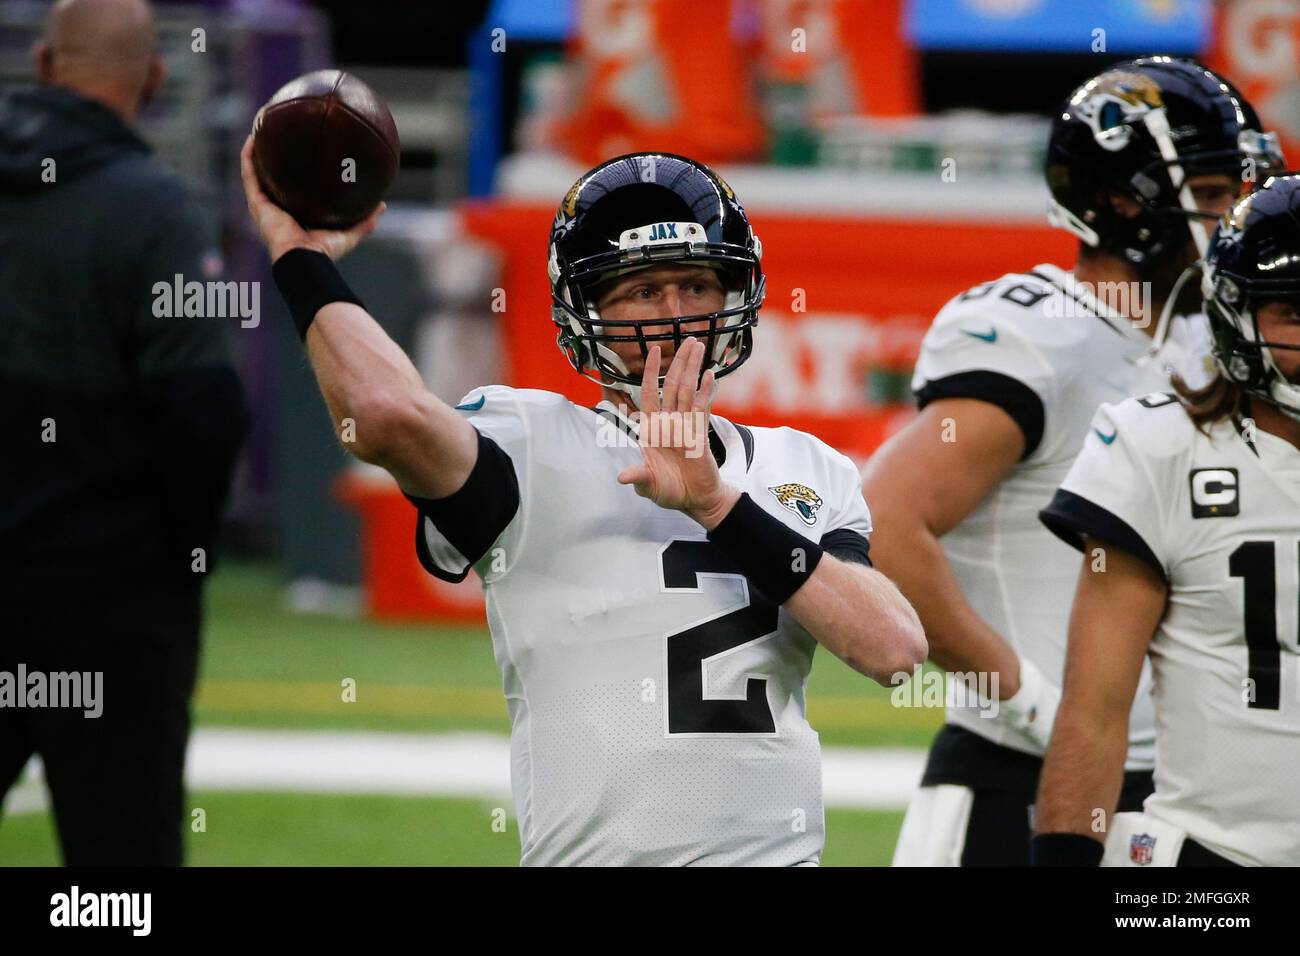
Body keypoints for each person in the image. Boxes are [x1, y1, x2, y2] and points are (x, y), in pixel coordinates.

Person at [241, 144, 926, 866]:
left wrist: (718, 504)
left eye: (696, 284)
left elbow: (894, 651)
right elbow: (381, 412)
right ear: (585, 311)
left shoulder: (806, 468)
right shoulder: (530, 442)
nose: (675, 316)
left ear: (734, 294)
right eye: (642, 290)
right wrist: (301, 256)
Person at [863, 58, 1284, 866]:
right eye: (1212, 195)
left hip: (1162, 793)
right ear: (1125, 202)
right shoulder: (1047, 333)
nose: (1237, 219)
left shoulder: (1202, 343)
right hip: (1013, 784)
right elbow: (883, 526)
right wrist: (1024, 700)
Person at [0, 0, 248, 865]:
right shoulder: (157, 209)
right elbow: (201, 413)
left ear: (41, 62)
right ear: (150, 77)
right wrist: (180, 557)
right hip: (106, 594)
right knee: (117, 871)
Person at [1034, 174, 1300, 867]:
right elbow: (1094, 712)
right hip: (1214, 864)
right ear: (1237, 316)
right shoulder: (1161, 448)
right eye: (1295, 313)